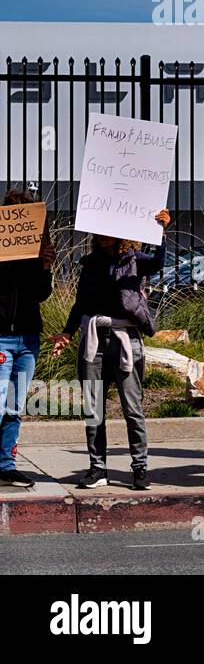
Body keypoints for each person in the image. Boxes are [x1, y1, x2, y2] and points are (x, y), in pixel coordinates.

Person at [50, 209, 171, 491]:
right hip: (94, 338)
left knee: (133, 407)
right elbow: (80, 303)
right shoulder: (90, 263)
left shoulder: (133, 260)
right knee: (94, 409)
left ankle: (140, 467)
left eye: (109, 229)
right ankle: (98, 467)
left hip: (125, 338)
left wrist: (161, 232)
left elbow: (157, 263)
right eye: (99, 229)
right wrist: (66, 333)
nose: (103, 234)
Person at [0, 188, 56, 488]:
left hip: (28, 339)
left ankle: (6, 466)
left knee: (14, 406)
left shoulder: (36, 255)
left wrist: (45, 265)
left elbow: (41, 294)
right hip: (1, 339)